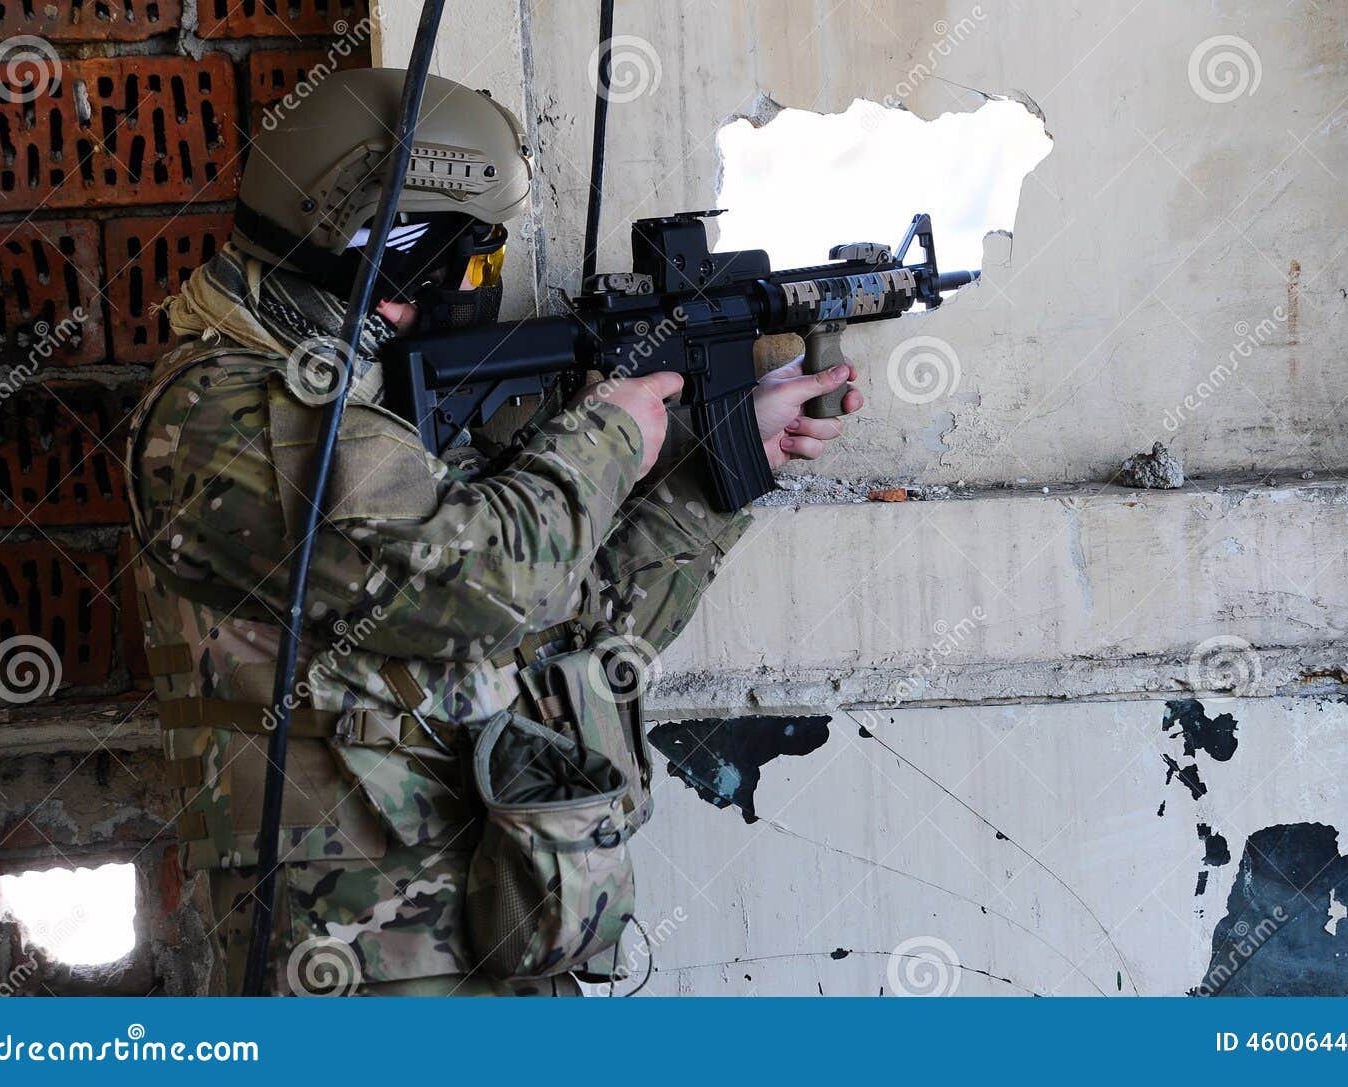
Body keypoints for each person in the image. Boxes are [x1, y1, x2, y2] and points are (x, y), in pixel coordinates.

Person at [125, 68, 861, 995]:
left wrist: (714, 470)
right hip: (355, 966)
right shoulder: (220, 420)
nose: (480, 288)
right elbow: (496, 581)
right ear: (387, 258)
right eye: (468, 264)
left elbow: (567, 633)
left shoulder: (373, 419)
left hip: (495, 924)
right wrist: (606, 434)